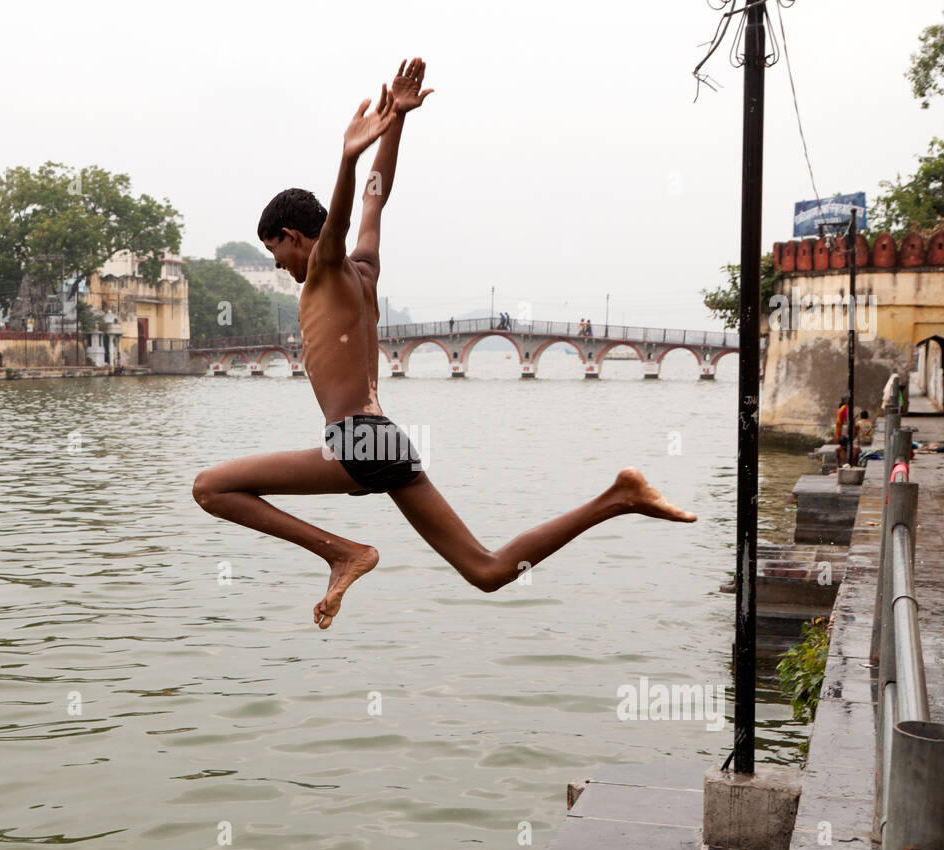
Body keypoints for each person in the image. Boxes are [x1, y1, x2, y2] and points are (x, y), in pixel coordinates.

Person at [192, 58, 696, 629]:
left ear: (291, 236)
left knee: (210, 487)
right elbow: (375, 202)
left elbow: (339, 219)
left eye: (274, 252)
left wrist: (348, 156)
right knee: (486, 571)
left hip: (356, 442)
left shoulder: (330, 266)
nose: (279, 266)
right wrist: (398, 123)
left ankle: (341, 553)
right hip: (384, 441)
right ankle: (618, 497)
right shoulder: (365, 269)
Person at [834, 396, 850, 467]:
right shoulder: (844, 408)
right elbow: (846, 419)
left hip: (841, 426)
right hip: (844, 426)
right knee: (845, 438)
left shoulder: (842, 408)